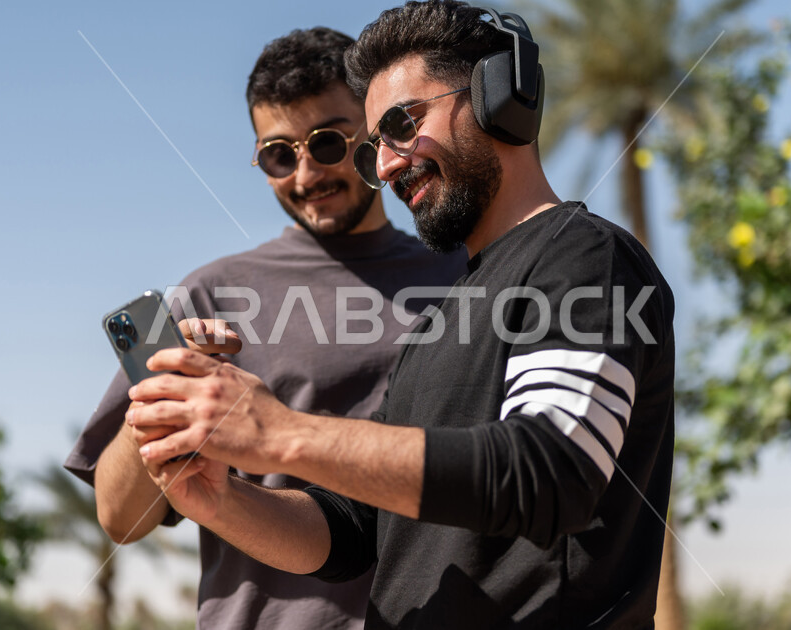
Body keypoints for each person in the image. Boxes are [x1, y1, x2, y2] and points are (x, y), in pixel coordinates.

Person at [125, 1, 676, 628]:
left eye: (404, 122)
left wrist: (278, 433)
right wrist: (220, 501)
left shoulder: (584, 257)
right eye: (376, 145)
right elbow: (357, 530)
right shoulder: (446, 318)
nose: (385, 165)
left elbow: (552, 472)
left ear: (501, 96)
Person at [65, 26, 465, 630]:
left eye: (327, 143)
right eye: (279, 154)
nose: (305, 176)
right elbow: (122, 518)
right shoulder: (211, 292)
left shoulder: (466, 276)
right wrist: (158, 405)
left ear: (375, 131)